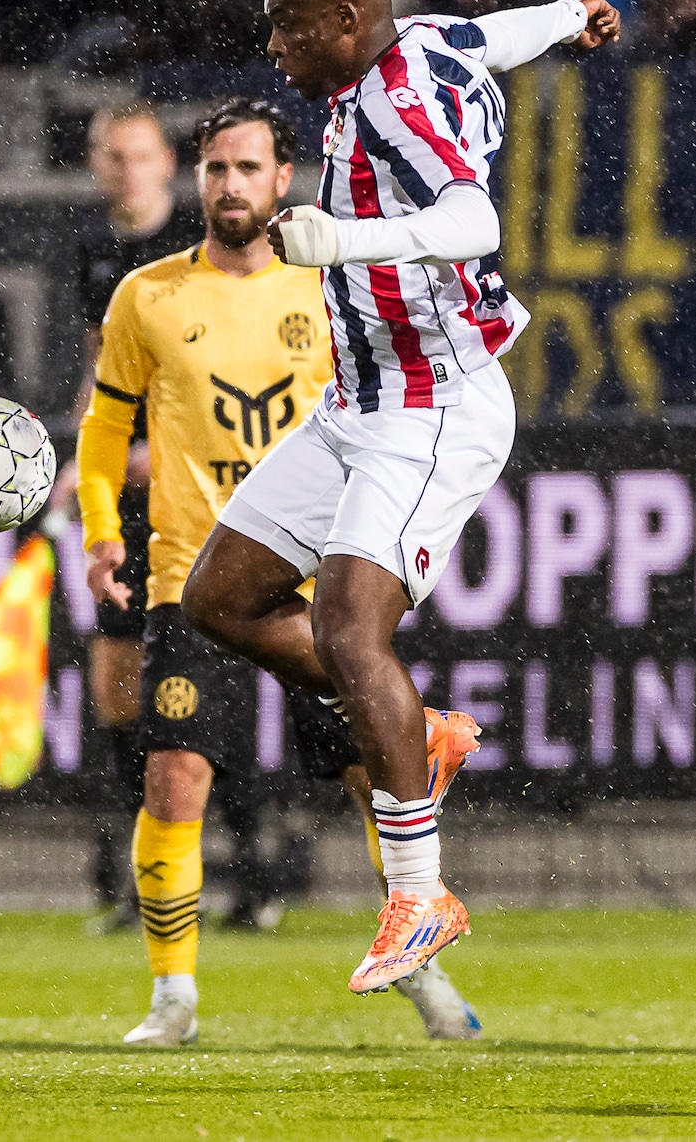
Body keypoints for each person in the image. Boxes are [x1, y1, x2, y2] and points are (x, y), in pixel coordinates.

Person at [180, 0, 621, 994]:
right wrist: (572, 18)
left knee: (346, 625)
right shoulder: (421, 39)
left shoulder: (394, 102)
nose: (272, 46)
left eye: (286, 28)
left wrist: (344, 243)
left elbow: (472, 217)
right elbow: (494, 36)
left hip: (433, 405)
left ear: (343, 20)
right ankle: (416, 732)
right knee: (221, 600)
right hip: (357, 401)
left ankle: (421, 895)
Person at [77, 97, 484, 1046]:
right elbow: (104, 430)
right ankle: (172, 997)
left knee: (372, 774)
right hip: (191, 575)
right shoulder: (147, 294)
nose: (229, 186)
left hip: (312, 579)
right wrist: (103, 532)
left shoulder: (329, 287)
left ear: (283, 181)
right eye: (215, 169)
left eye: (247, 170)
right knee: (173, 778)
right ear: (198, 178)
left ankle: (417, 961)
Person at [53, 101, 201, 935]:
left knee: (197, 685)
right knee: (116, 688)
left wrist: (164, 450)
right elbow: (100, 373)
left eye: (139, 155)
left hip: (192, 489)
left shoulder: (192, 247)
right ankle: (127, 871)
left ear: (165, 160)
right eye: (112, 155)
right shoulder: (93, 251)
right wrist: (85, 461)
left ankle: (249, 868)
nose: (126, 169)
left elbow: (207, 370)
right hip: (128, 492)